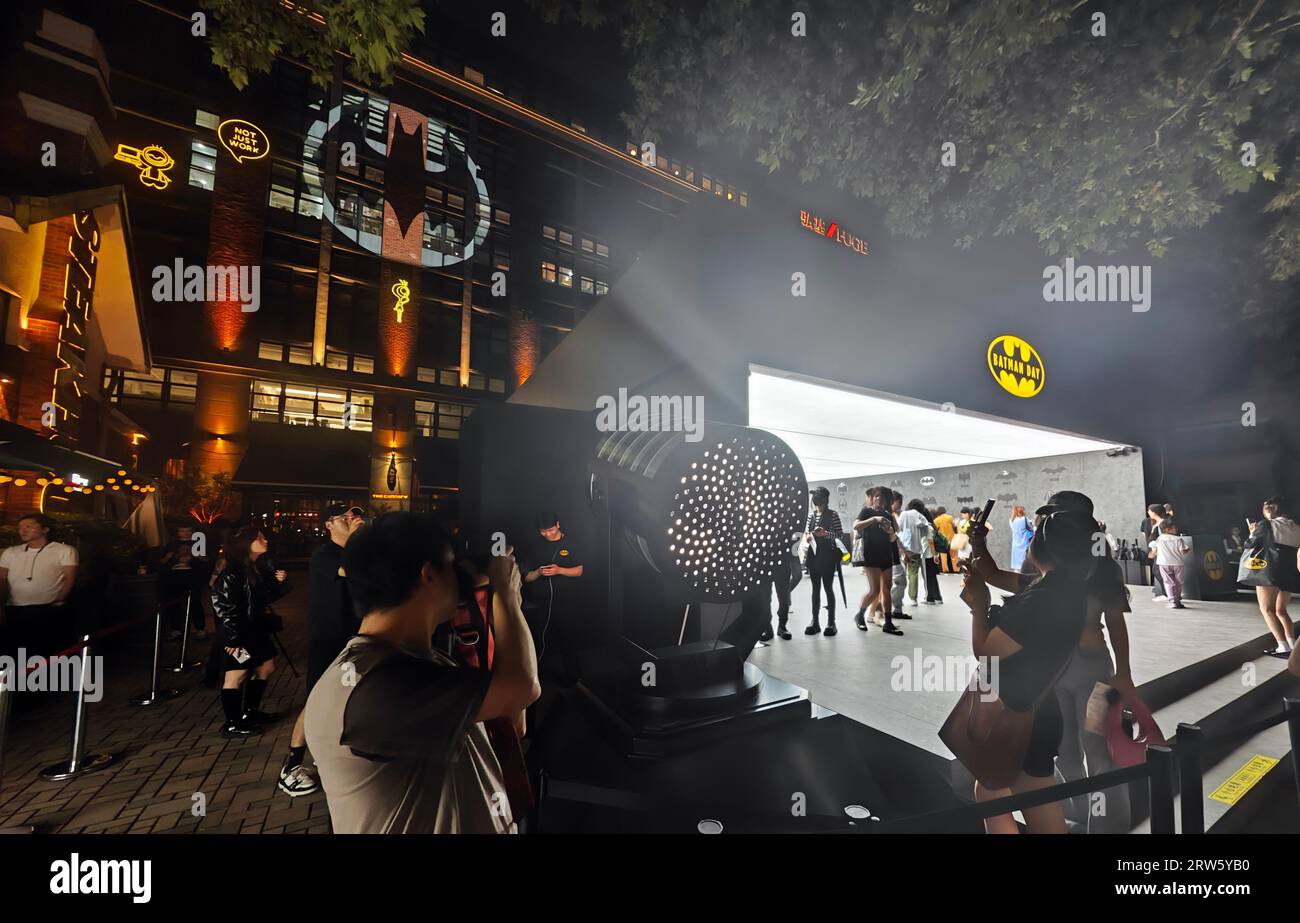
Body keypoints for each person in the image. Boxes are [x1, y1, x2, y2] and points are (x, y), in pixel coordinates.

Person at [304, 512, 540, 833]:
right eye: (451, 565)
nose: (459, 576)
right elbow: (522, 688)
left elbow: (511, 721)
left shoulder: (417, 661)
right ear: (429, 575)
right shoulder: (374, 683)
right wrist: (507, 596)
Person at [973, 491, 1135, 834]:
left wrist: (1124, 673)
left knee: (1098, 753)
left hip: (1089, 672)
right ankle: (1074, 819)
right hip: (1061, 674)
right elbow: (993, 573)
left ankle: (1106, 827)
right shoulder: (1064, 570)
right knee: (1068, 754)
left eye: (1053, 516)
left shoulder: (1083, 572)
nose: (1044, 524)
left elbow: (1116, 623)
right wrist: (978, 543)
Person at [961, 509, 1096, 834]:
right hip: (1039, 709)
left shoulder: (1041, 600)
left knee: (995, 795)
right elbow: (992, 573)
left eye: (1035, 535)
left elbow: (986, 650)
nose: (1030, 539)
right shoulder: (1061, 587)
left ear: (1048, 549)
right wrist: (978, 544)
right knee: (1016, 795)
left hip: (1019, 716)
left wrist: (979, 604)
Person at [279, 504, 363, 797]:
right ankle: (291, 765)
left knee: (348, 696)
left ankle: (332, 756)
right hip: (328, 637)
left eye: (356, 516)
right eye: (346, 518)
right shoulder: (325, 554)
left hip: (354, 635)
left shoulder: (354, 551)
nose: (353, 521)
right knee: (316, 698)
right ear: (328, 524)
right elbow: (349, 569)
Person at [210, 526, 289, 738]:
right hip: (237, 635)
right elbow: (225, 606)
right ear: (246, 544)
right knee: (236, 674)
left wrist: (278, 583)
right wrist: (234, 639)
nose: (265, 540)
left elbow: (262, 599)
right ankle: (232, 723)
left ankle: (250, 712)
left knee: (266, 666)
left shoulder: (254, 568)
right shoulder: (233, 572)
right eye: (259, 538)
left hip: (253, 631)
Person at [0, 513, 78, 659]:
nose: (23, 531)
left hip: (47, 609)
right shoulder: (11, 552)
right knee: (15, 650)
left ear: (45, 529)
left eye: (28, 526)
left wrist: (59, 600)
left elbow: (69, 578)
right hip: (15, 609)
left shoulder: (65, 551)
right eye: (20, 528)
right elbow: (2, 578)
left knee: (45, 650)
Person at [521, 512, 584, 676]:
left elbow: (579, 571)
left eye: (550, 530)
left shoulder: (572, 543)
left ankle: (573, 676)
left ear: (558, 524)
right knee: (537, 639)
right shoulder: (534, 546)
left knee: (569, 640)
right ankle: (534, 678)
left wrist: (559, 570)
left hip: (567, 601)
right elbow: (527, 577)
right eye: (543, 531)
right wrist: (538, 572)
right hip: (541, 602)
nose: (547, 534)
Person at [1249, 497, 1300, 658]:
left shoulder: (1266, 525)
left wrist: (1252, 533)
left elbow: (1250, 545)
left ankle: (1282, 646)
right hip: (1290, 573)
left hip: (1270, 571)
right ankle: (1292, 645)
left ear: (1270, 510)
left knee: (1267, 609)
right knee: (1281, 610)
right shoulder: (1297, 527)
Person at [851, 486, 902, 635]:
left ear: (886, 500)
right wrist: (873, 519)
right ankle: (860, 615)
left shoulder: (888, 515)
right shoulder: (867, 511)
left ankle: (888, 622)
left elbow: (893, 536)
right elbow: (856, 526)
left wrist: (890, 531)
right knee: (875, 590)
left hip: (886, 554)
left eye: (881, 497)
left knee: (887, 589)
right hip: (870, 554)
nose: (878, 499)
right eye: (876, 496)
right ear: (872, 498)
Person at [802, 487, 843, 636]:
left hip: (827, 556)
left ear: (825, 498)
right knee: (815, 589)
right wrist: (808, 536)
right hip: (813, 556)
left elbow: (839, 534)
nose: (815, 499)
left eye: (817, 496)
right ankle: (815, 621)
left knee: (828, 588)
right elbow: (807, 531)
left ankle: (831, 622)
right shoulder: (811, 516)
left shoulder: (833, 515)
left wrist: (826, 534)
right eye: (814, 496)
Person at [159, 522, 209, 641]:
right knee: (173, 603)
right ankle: (176, 629)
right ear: (178, 531)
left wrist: (196, 558)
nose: (185, 533)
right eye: (182, 530)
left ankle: (200, 628)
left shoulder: (198, 542)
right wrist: (168, 557)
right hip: (175, 578)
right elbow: (162, 561)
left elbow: (206, 560)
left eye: (188, 530)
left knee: (195, 603)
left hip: (192, 578)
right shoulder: (171, 544)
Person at [1148, 520, 1189, 610]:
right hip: (1177, 563)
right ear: (1167, 529)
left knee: (1168, 582)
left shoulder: (1158, 540)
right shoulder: (1178, 539)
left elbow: (1154, 552)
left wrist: (1152, 553)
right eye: (1174, 528)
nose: (1176, 529)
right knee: (1179, 583)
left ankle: (1172, 602)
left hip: (1163, 563)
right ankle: (1177, 600)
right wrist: (1187, 550)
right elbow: (1183, 551)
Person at [897, 499, 929, 609]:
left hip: (903, 547)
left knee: (899, 573)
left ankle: (898, 599)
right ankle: (913, 598)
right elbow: (925, 529)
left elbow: (898, 528)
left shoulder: (904, 514)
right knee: (913, 573)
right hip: (915, 548)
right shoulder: (920, 516)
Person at [1140, 503, 1168, 599]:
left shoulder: (1162, 524)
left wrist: (1154, 548)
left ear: (1154, 512)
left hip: (1161, 552)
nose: (1148, 512)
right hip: (1158, 552)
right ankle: (1168, 594)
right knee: (1158, 571)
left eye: (1149, 510)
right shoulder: (1156, 523)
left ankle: (1168, 594)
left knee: (1158, 571)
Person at [918, 506, 943, 604]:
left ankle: (929, 598)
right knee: (932, 576)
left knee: (927, 577)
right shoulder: (932, 525)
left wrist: (934, 555)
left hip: (926, 555)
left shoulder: (926, 526)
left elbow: (930, 541)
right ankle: (937, 597)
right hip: (931, 555)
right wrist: (935, 555)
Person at [1008, 505, 1033, 571]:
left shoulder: (1011, 520)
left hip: (1015, 545)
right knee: (1024, 564)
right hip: (1024, 543)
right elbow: (1031, 528)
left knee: (1017, 567)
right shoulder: (1024, 519)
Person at [933, 506, 957, 574]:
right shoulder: (950, 518)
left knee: (943, 555)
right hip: (952, 539)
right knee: (954, 555)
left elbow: (935, 530)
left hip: (943, 540)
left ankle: (945, 570)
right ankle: (956, 569)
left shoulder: (936, 520)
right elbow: (954, 526)